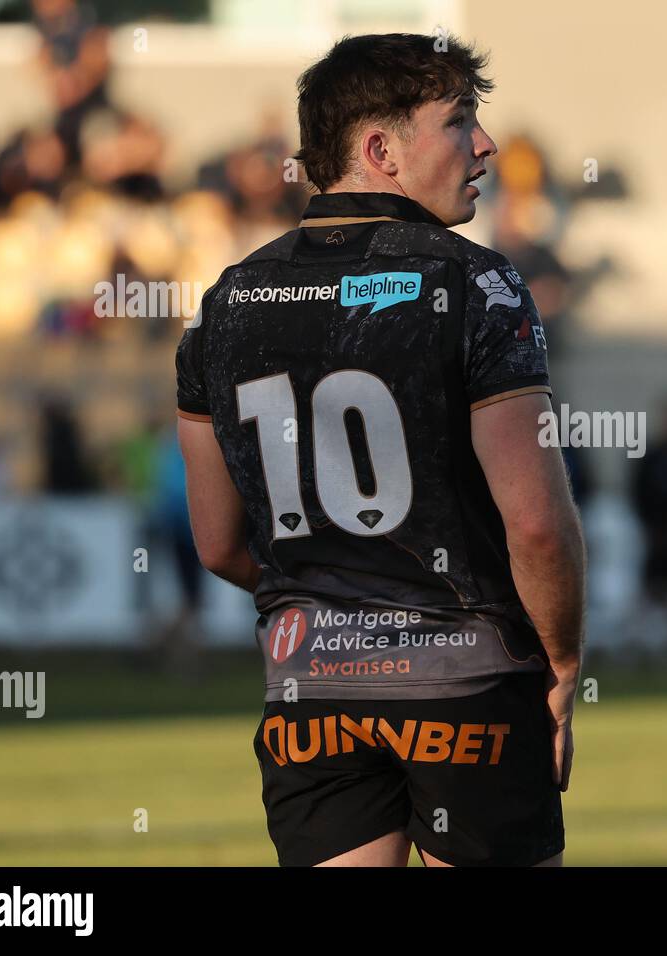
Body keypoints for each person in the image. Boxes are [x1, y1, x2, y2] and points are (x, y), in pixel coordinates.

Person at [175, 33, 585, 867]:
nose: (484, 145)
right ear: (380, 150)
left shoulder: (225, 301)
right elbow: (537, 523)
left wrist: (337, 600)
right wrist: (565, 661)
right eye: (459, 120)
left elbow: (219, 543)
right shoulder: (477, 282)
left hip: (310, 691)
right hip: (466, 683)